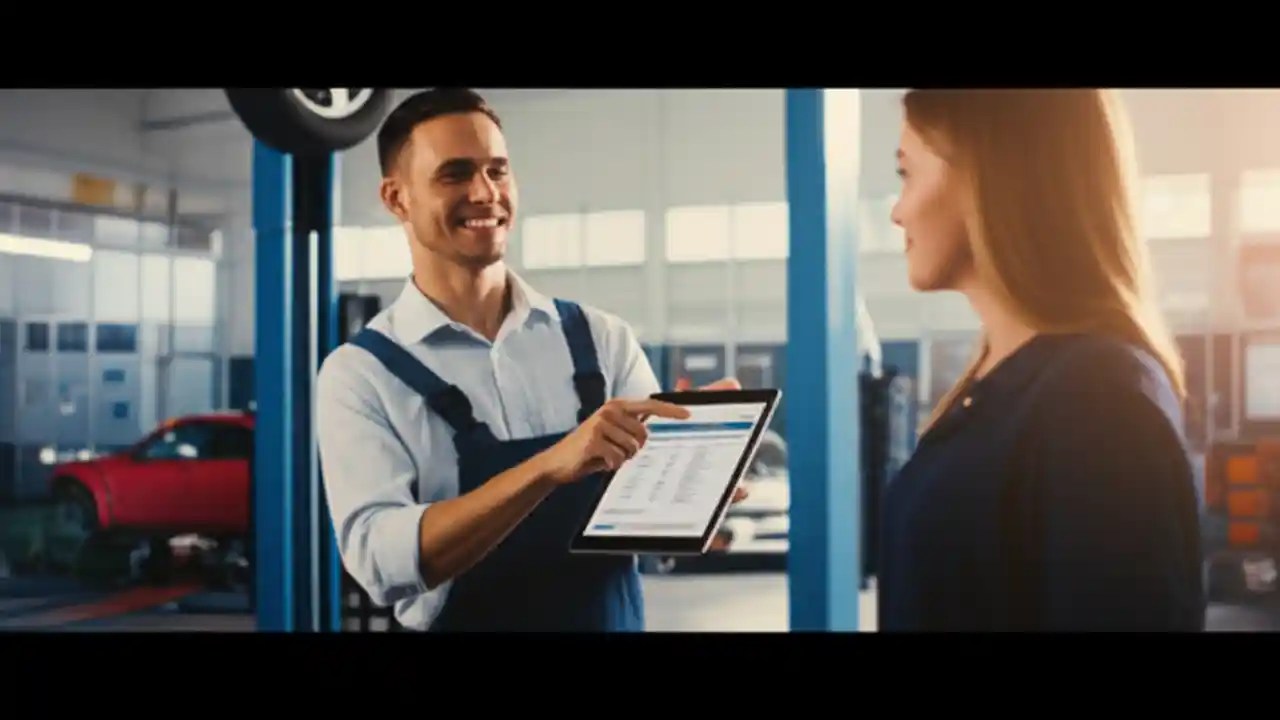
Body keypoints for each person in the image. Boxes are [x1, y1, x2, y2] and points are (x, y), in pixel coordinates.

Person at [315, 88, 740, 632]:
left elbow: (649, 525)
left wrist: (697, 476)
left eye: (498, 170)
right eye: (455, 174)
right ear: (397, 199)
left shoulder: (601, 339)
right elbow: (379, 560)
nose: (485, 192)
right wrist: (547, 468)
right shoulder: (361, 373)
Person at [877, 88, 1206, 631]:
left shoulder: (1098, 401)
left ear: (988, 176)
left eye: (906, 174)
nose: (896, 211)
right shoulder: (999, 389)